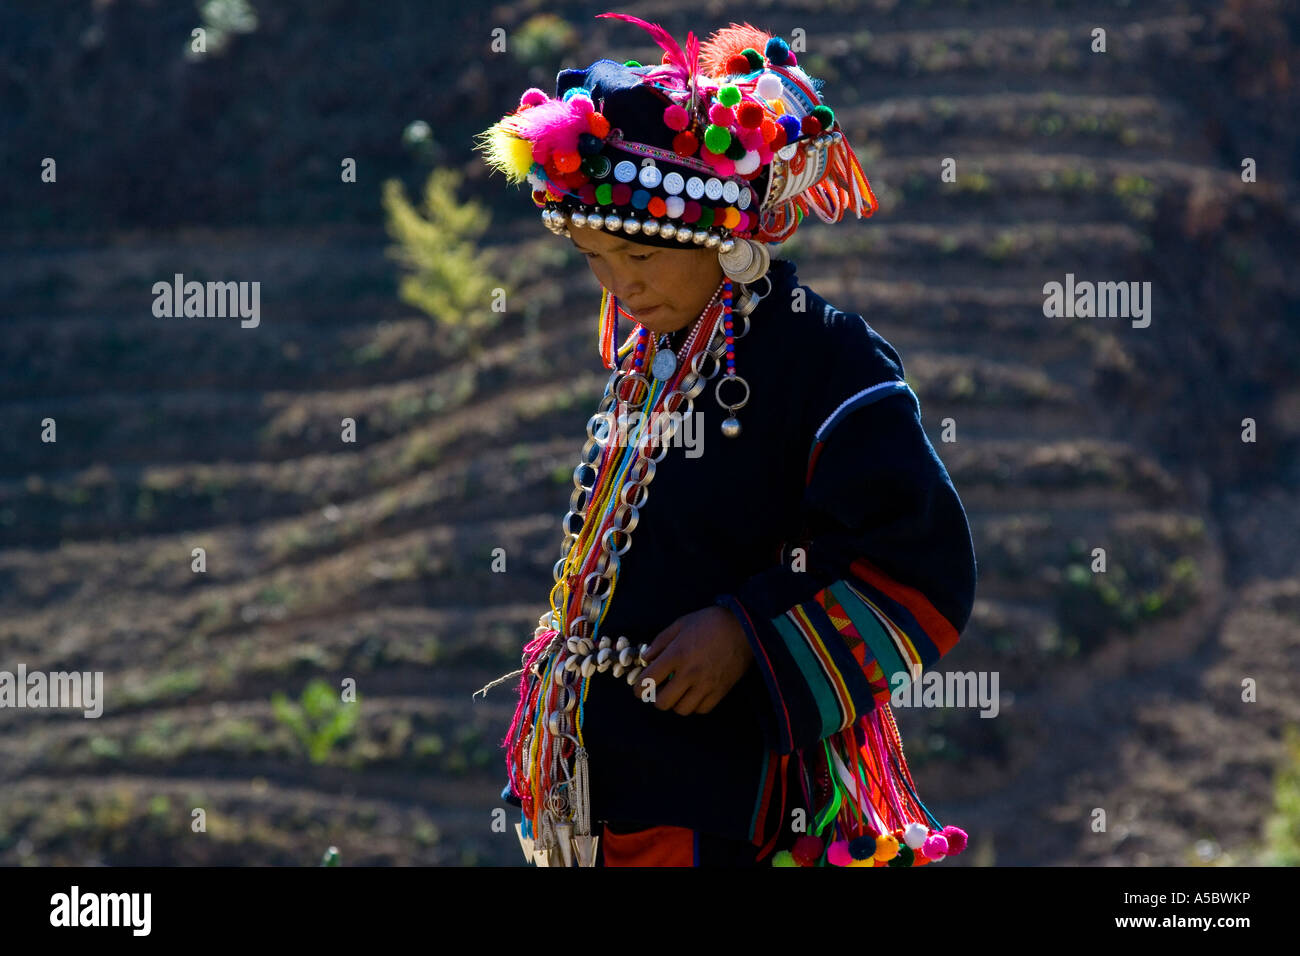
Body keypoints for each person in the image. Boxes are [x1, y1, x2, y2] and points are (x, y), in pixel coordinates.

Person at [474, 13, 978, 868]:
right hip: (608, 793)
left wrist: (746, 631)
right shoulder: (653, 359)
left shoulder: (822, 359)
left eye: (641, 256)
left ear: (723, 236)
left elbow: (920, 560)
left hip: (734, 810)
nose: (622, 286)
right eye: (596, 259)